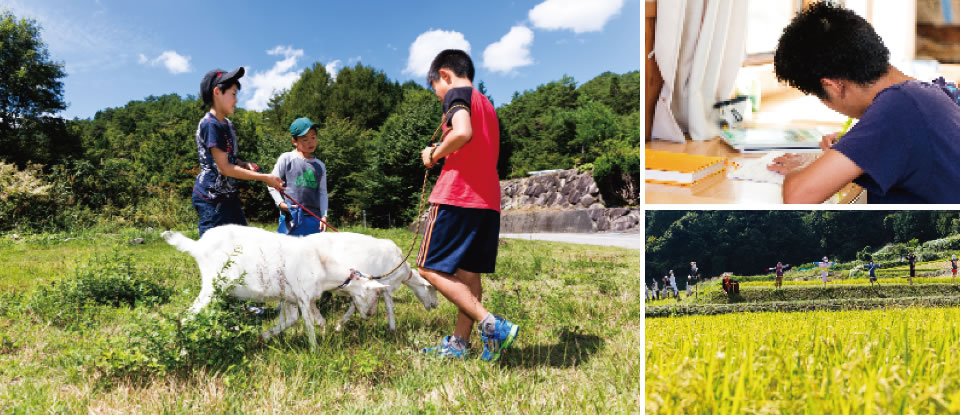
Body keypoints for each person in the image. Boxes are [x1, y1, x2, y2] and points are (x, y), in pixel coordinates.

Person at [767, 2, 960, 203]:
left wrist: (804, 167)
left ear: (832, 86)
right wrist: (852, 146)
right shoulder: (928, 93)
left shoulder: (898, 108)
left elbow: (798, 195)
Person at [416, 50, 516, 361]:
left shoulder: (456, 93)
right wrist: (445, 147)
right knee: (469, 276)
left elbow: (462, 132)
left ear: (444, 75)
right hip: (487, 201)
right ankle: (459, 344)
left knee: (428, 267)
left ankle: (492, 326)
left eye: (436, 88)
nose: (438, 96)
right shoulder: (486, 104)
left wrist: (434, 154)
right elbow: (472, 141)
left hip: (458, 195)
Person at [192, 67, 285, 236]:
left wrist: (244, 164)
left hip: (229, 197)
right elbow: (225, 168)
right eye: (233, 94)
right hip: (211, 199)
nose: (236, 100)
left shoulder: (228, 125)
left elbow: (230, 160)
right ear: (217, 92)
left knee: (243, 242)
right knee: (214, 245)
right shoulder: (210, 124)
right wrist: (265, 178)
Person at [267, 117, 329, 236]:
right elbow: (271, 183)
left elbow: (323, 193)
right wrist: (281, 204)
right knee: (287, 247)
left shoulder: (320, 166)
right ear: (294, 141)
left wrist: (324, 216)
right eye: (305, 139)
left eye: (313, 137)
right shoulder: (286, 158)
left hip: (314, 219)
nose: (311, 142)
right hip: (291, 217)